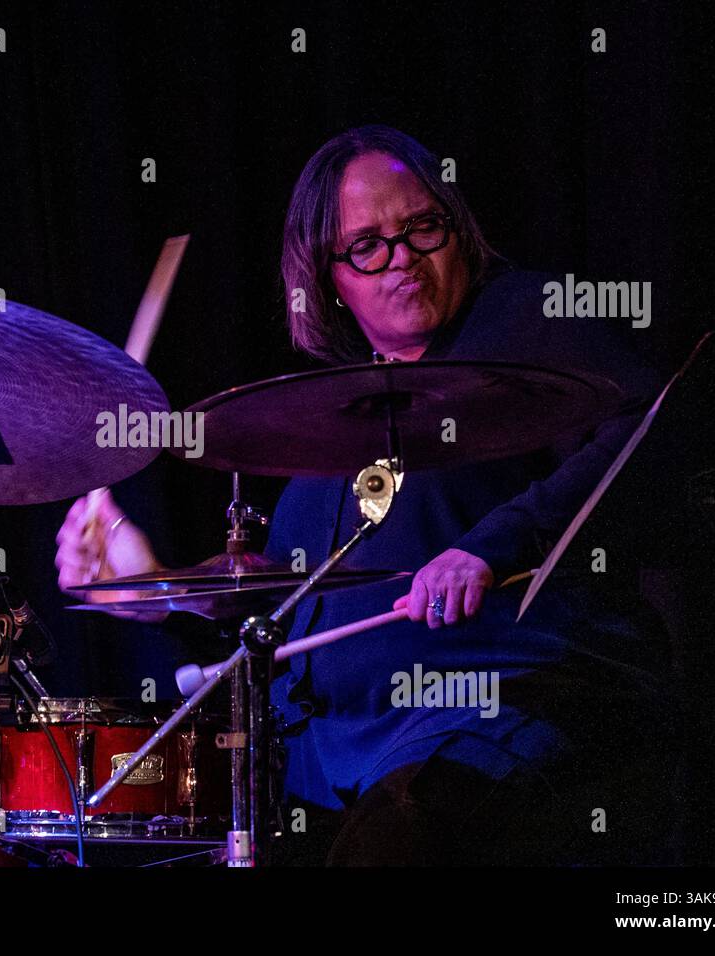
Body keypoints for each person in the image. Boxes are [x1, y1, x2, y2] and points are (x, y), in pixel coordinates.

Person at [55, 125, 680, 865]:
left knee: (401, 839)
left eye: (422, 227)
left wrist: (489, 546)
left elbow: (654, 438)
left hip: (502, 706)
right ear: (327, 279)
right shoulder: (330, 425)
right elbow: (280, 606)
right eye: (368, 246)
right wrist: (153, 589)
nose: (403, 260)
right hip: (332, 758)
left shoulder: (525, 318)